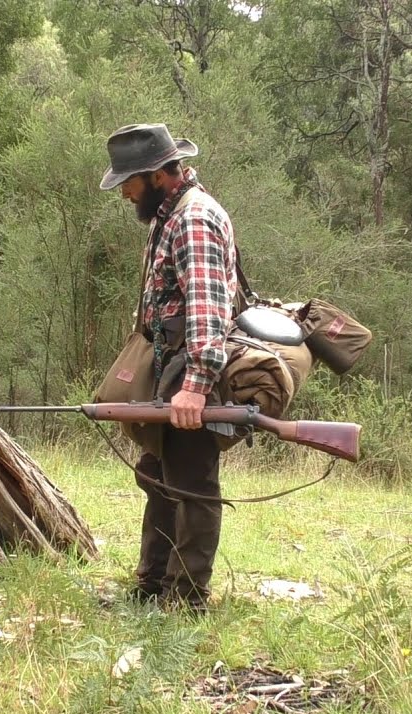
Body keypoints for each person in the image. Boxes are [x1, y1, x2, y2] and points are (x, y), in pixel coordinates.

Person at [99, 123, 239, 611]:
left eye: (129, 183)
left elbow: (207, 308)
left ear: (158, 175)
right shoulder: (170, 214)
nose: (125, 194)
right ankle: (153, 586)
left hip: (188, 371)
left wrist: (196, 386)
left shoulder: (193, 219)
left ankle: (186, 599)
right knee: (158, 474)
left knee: (193, 486)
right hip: (168, 369)